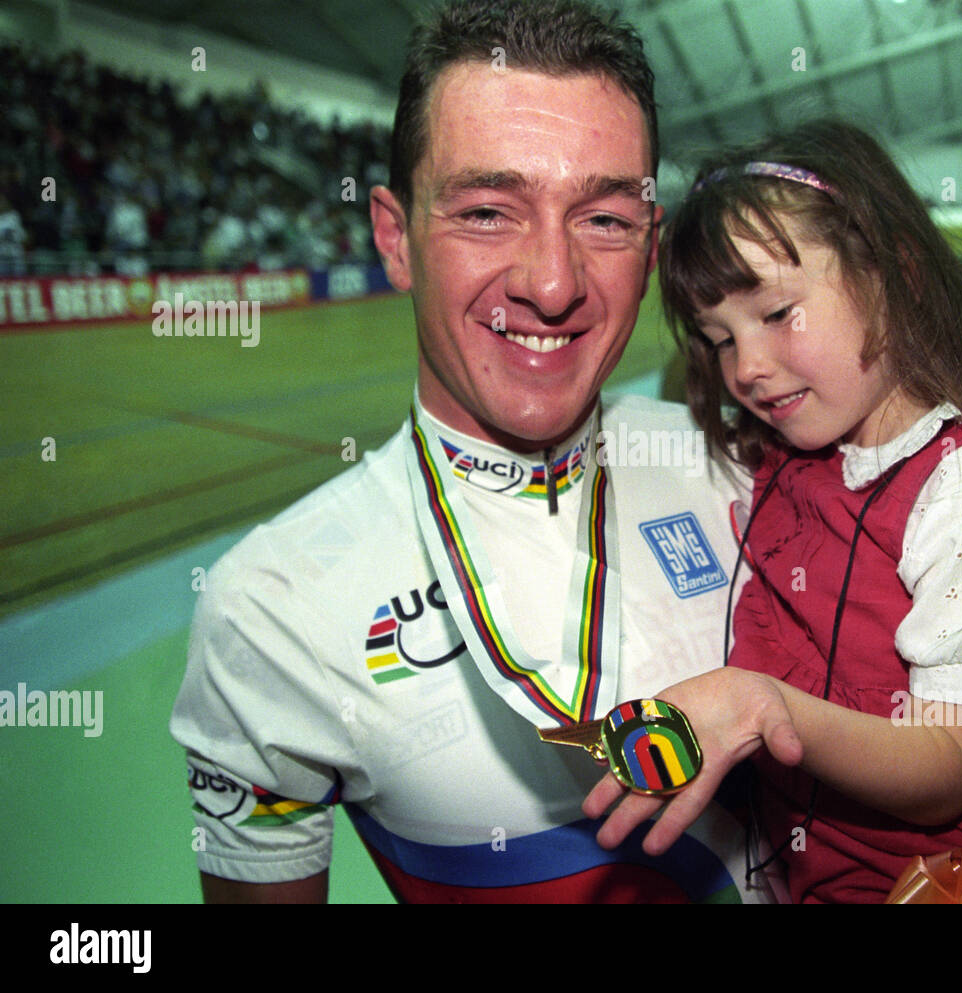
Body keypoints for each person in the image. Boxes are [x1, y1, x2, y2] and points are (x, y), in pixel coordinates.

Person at [170, 0, 789, 904]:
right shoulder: (265, 615)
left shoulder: (750, 458)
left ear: (651, 248)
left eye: (605, 220)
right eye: (490, 210)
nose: (551, 282)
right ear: (395, 237)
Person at [582, 121, 962, 903]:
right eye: (720, 338)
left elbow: (949, 769)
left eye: (778, 313)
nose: (747, 368)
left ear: (898, 277)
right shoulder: (799, 442)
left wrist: (766, 705)